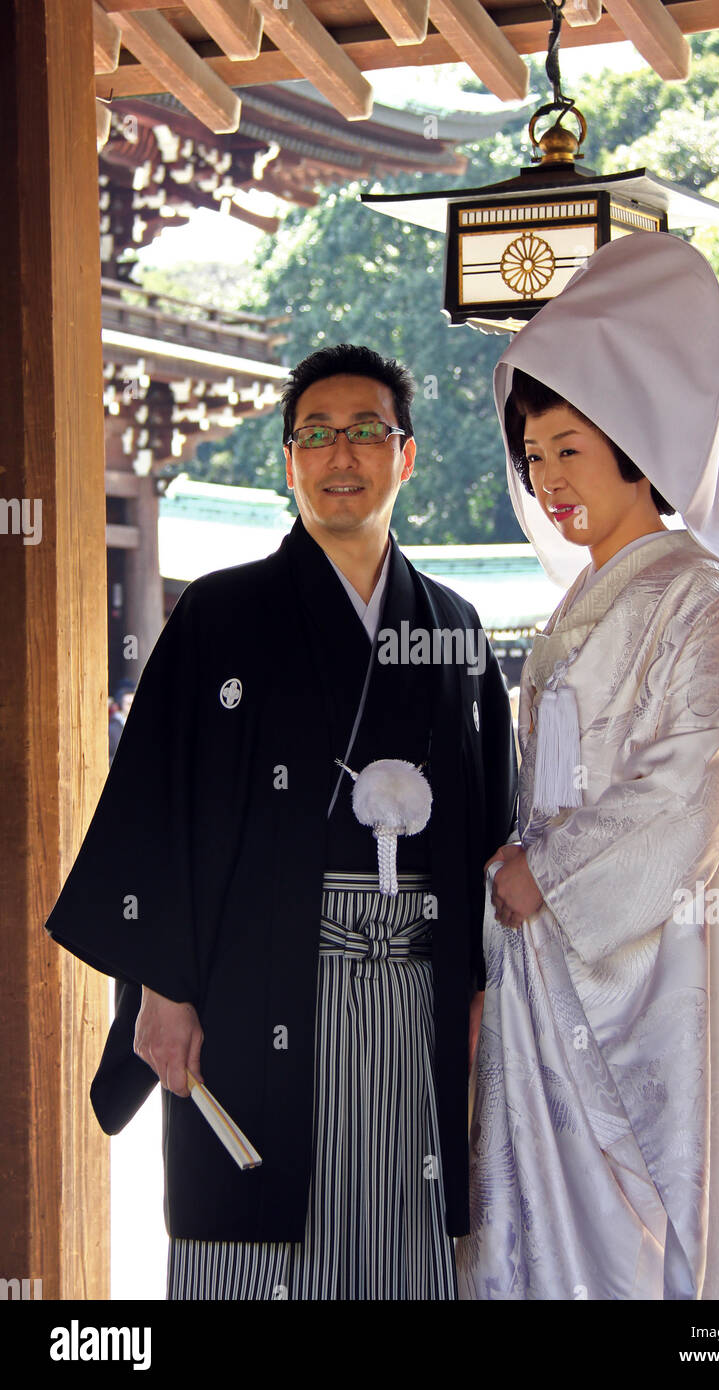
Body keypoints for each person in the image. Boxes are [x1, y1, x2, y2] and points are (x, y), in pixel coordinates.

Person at [45, 343, 517, 1300]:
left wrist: (477, 995)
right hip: (250, 986)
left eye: (365, 433)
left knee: (396, 1233)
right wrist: (160, 992)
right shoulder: (221, 615)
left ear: (408, 455)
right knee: (254, 1237)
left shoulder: (455, 628)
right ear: (290, 460)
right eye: (317, 435)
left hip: (411, 999)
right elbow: (154, 813)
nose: (342, 455)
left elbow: (487, 824)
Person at [455, 232, 719, 1301]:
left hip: (663, 971)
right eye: (534, 457)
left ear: (635, 441)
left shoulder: (702, 601)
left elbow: (693, 785)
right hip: (554, 965)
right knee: (551, 1222)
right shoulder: (584, 604)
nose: (549, 480)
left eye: (570, 448)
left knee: (673, 1219)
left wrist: (555, 874)